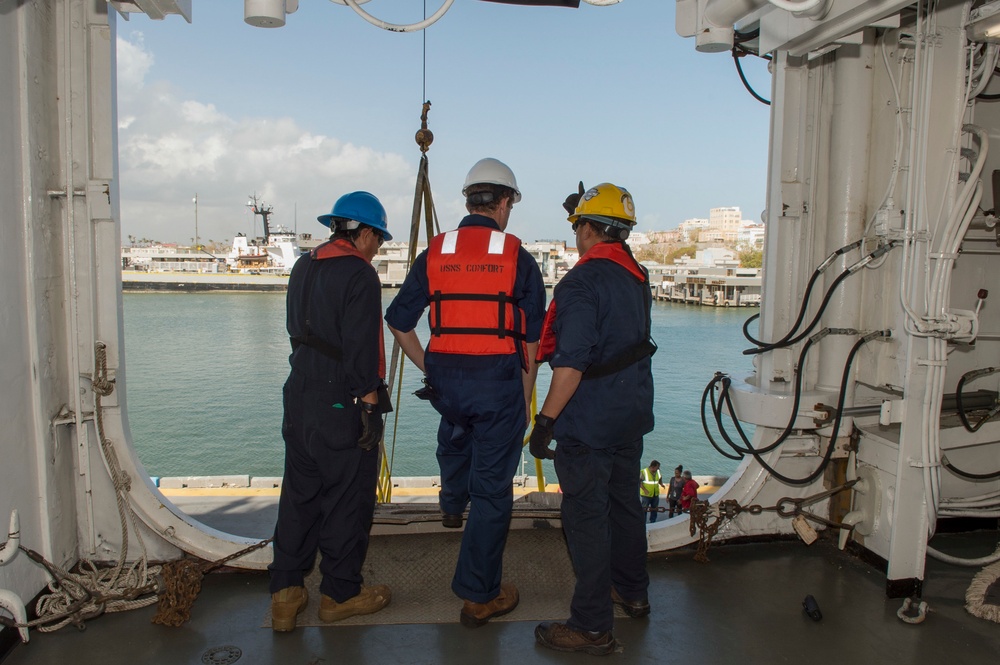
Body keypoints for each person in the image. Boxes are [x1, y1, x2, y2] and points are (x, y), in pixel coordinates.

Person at [385, 158, 546, 628]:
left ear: (467, 199)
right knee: (493, 493)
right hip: (497, 383)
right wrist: (525, 388)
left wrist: (429, 366)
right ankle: (479, 595)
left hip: (447, 383)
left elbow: (398, 320)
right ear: (503, 202)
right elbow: (532, 337)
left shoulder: (434, 252)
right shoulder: (518, 255)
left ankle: (452, 504)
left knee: (455, 430)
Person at [529, 183, 656, 656]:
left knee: (586, 516)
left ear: (586, 229)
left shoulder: (580, 283)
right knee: (624, 506)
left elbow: (572, 362)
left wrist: (545, 422)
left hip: (590, 421)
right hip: (630, 414)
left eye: (577, 226)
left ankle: (590, 624)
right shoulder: (636, 274)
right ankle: (632, 590)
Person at [268, 191, 393, 632]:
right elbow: (361, 351)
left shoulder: (304, 265)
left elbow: (292, 327)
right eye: (378, 238)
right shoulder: (360, 275)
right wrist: (370, 407)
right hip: (342, 396)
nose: (379, 247)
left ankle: (285, 593)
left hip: (299, 389)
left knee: (300, 493)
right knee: (346, 497)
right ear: (363, 233)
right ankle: (339, 594)